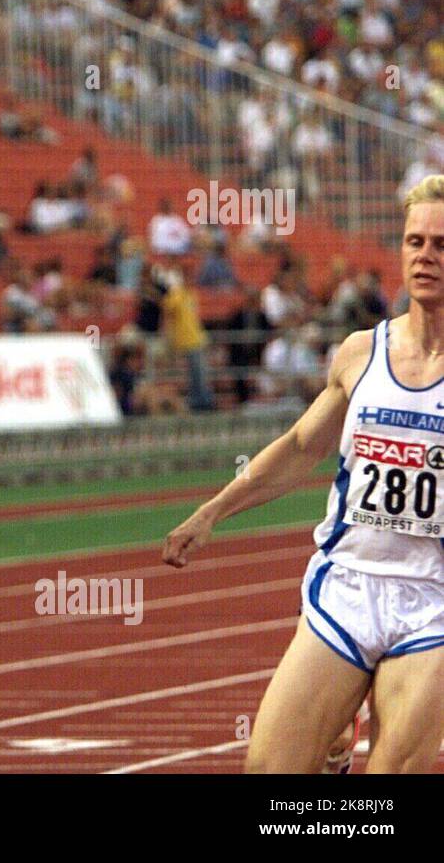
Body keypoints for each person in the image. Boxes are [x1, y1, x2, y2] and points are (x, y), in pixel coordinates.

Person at [163, 175, 444, 773]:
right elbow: (299, 447)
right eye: (415, 241)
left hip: (434, 598)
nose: (426, 256)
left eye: (442, 244)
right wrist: (213, 511)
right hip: (346, 584)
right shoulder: (360, 354)